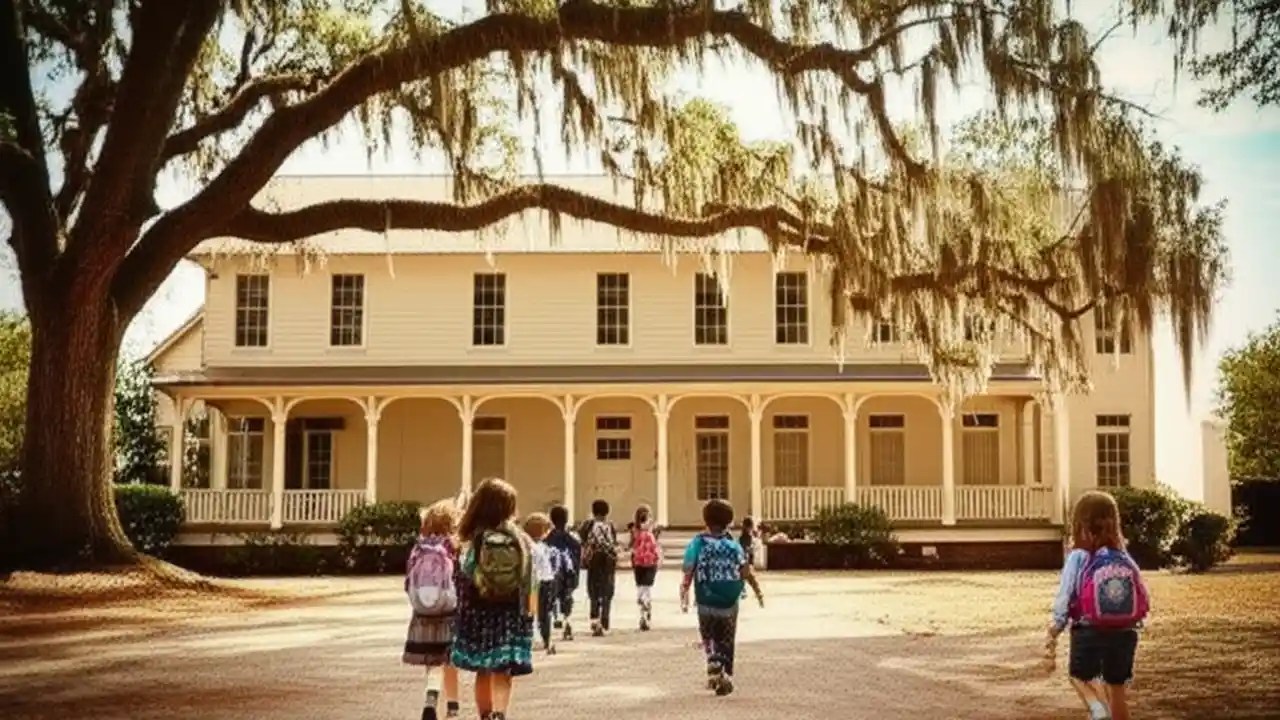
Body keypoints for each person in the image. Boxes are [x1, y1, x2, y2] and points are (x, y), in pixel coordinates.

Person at [1044, 491, 1150, 720]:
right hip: (1124, 632)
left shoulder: (1078, 556)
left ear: (1079, 523)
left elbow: (1066, 593)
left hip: (1088, 628)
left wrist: (1056, 625)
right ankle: (1107, 712)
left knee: (1080, 677)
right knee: (1117, 689)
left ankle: (1098, 710)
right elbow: (1142, 590)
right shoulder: (1122, 555)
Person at [450, 478, 535, 720]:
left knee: (483, 669)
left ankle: (485, 716)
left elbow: (464, 575)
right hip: (510, 611)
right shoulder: (520, 539)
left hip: (479, 612)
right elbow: (531, 578)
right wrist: (530, 609)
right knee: (503, 669)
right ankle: (500, 714)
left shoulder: (473, 539)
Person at [680, 499, 764, 697]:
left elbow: (688, 569)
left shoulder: (697, 543)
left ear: (705, 521)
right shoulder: (733, 546)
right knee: (726, 638)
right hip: (729, 603)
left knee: (708, 636)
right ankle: (724, 671)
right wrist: (757, 591)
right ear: (729, 522)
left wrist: (684, 592)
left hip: (705, 601)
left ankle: (713, 663)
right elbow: (745, 571)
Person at [403, 500, 463, 720]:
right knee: (449, 658)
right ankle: (453, 707)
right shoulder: (453, 547)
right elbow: (460, 579)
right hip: (448, 611)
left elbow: (408, 581)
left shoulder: (418, 549)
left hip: (423, 612)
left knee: (432, 660)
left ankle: (431, 696)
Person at [579, 499, 619, 637]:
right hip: (608, 561)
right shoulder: (610, 525)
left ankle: (595, 620)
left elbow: (582, 538)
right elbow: (614, 542)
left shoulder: (589, 525)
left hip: (594, 560)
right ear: (607, 512)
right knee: (607, 589)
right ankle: (605, 618)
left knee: (593, 589)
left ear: (593, 511)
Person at [545, 504, 581, 641]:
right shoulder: (573, 540)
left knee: (553, 597)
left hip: (553, 574)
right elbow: (577, 557)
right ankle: (567, 622)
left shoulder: (548, 539)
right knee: (567, 598)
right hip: (569, 574)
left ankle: (557, 618)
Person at [524, 512, 558, 654]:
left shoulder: (529, 546)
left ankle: (532, 637)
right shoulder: (540, 547)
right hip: (545, 581)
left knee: (532, 612)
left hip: (534, 583)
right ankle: (546, 639)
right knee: (545, 613)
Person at [628, 504, 661, 631]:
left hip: (638, 564)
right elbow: (655, 549)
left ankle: (642, 614)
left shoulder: (634, 533)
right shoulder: (650, 535)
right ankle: (646, 613)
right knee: (647, 588)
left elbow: (631, 548)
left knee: (641, 587)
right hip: (649, 564)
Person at [737, 516, 759, 598]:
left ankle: (746, 591)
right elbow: (744, 549)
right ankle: (757, 594)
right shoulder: (744, 537)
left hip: (746, 560)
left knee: (746, 578)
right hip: (745, 560)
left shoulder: (747, 536)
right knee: (748, 578)